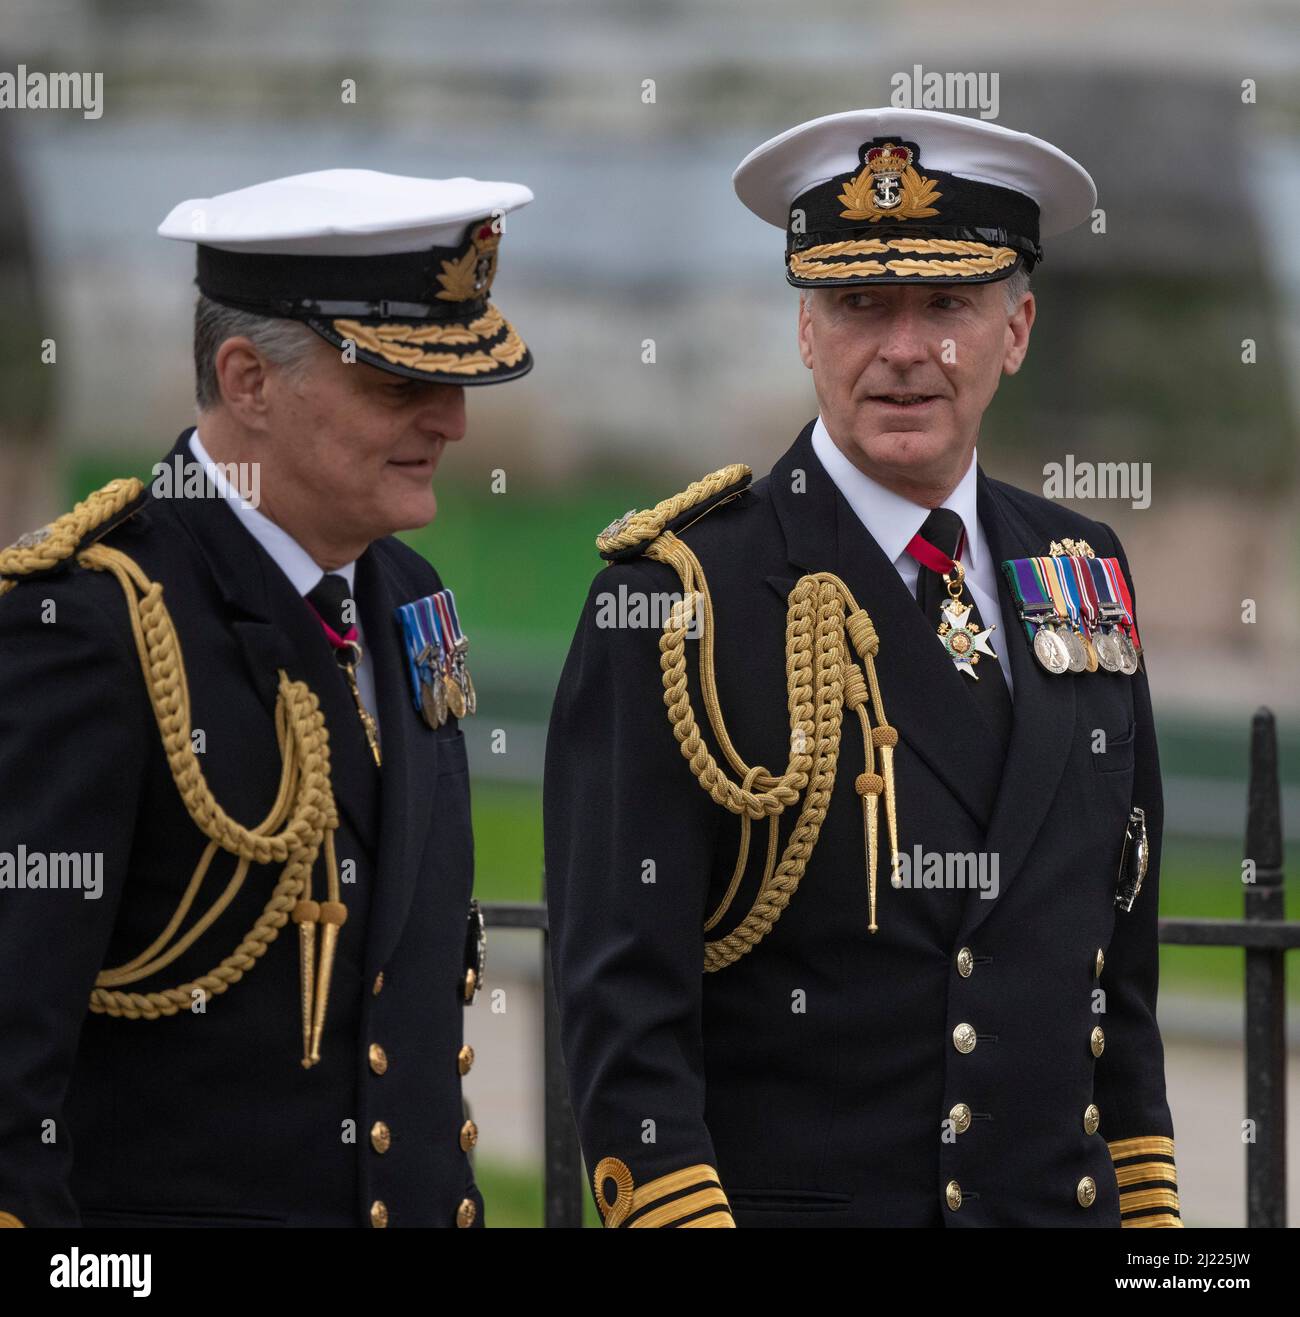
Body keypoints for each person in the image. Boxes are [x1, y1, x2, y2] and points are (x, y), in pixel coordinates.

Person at [544, 108, 1182, 1228]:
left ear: (1016, 327)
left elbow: (1115, 984)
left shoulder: (1082, 571)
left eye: (946, 305)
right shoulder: (677, 596)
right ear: (805, 330)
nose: (901, 349)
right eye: (858, 306)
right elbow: (625, 1017)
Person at [0, 168, 532, 1228]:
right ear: (247, 380)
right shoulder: (89, 627)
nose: (453, 422)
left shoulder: (408, 596)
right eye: (398, 383)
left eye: (459, 379)